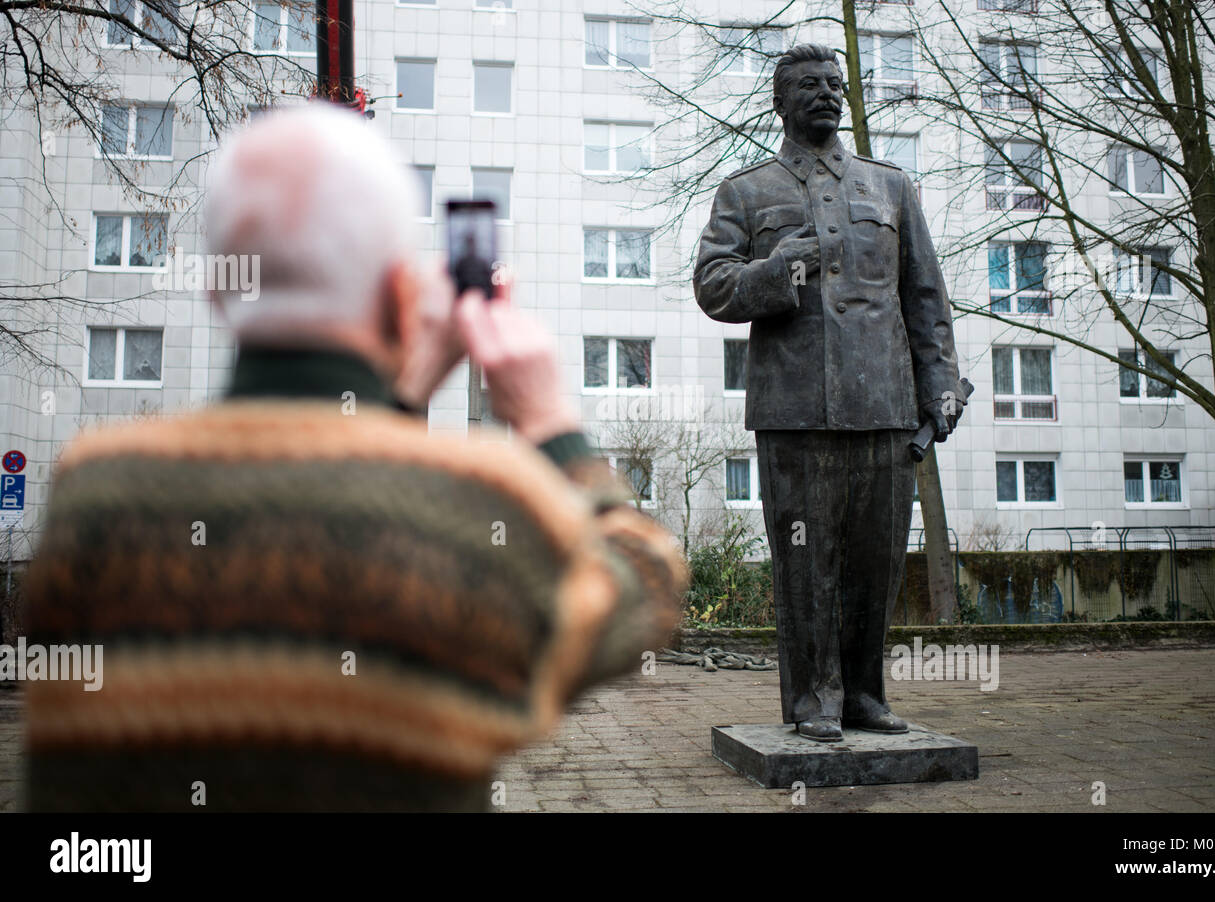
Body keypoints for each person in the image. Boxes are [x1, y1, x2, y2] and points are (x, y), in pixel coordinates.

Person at [24, 103, 686, 811]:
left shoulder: (96, 487)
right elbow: (647, 583)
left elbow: (330, 483)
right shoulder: (479, 508)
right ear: (401, 292)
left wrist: (400, 395)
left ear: (218, 286)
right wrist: (552, 425)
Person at [694, 44, 964, 742]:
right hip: (794, 410)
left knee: (876, 560)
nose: (825, 94)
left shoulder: (891, 188)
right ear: (780, 102)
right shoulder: (746, 191)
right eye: (808, 85)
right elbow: (713, 285)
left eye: (834, 85)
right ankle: (815, 699)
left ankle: (865, 696)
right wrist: (775, 270)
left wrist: (938, 387)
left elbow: (925, 297)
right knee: (806, 560)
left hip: (885, 406)